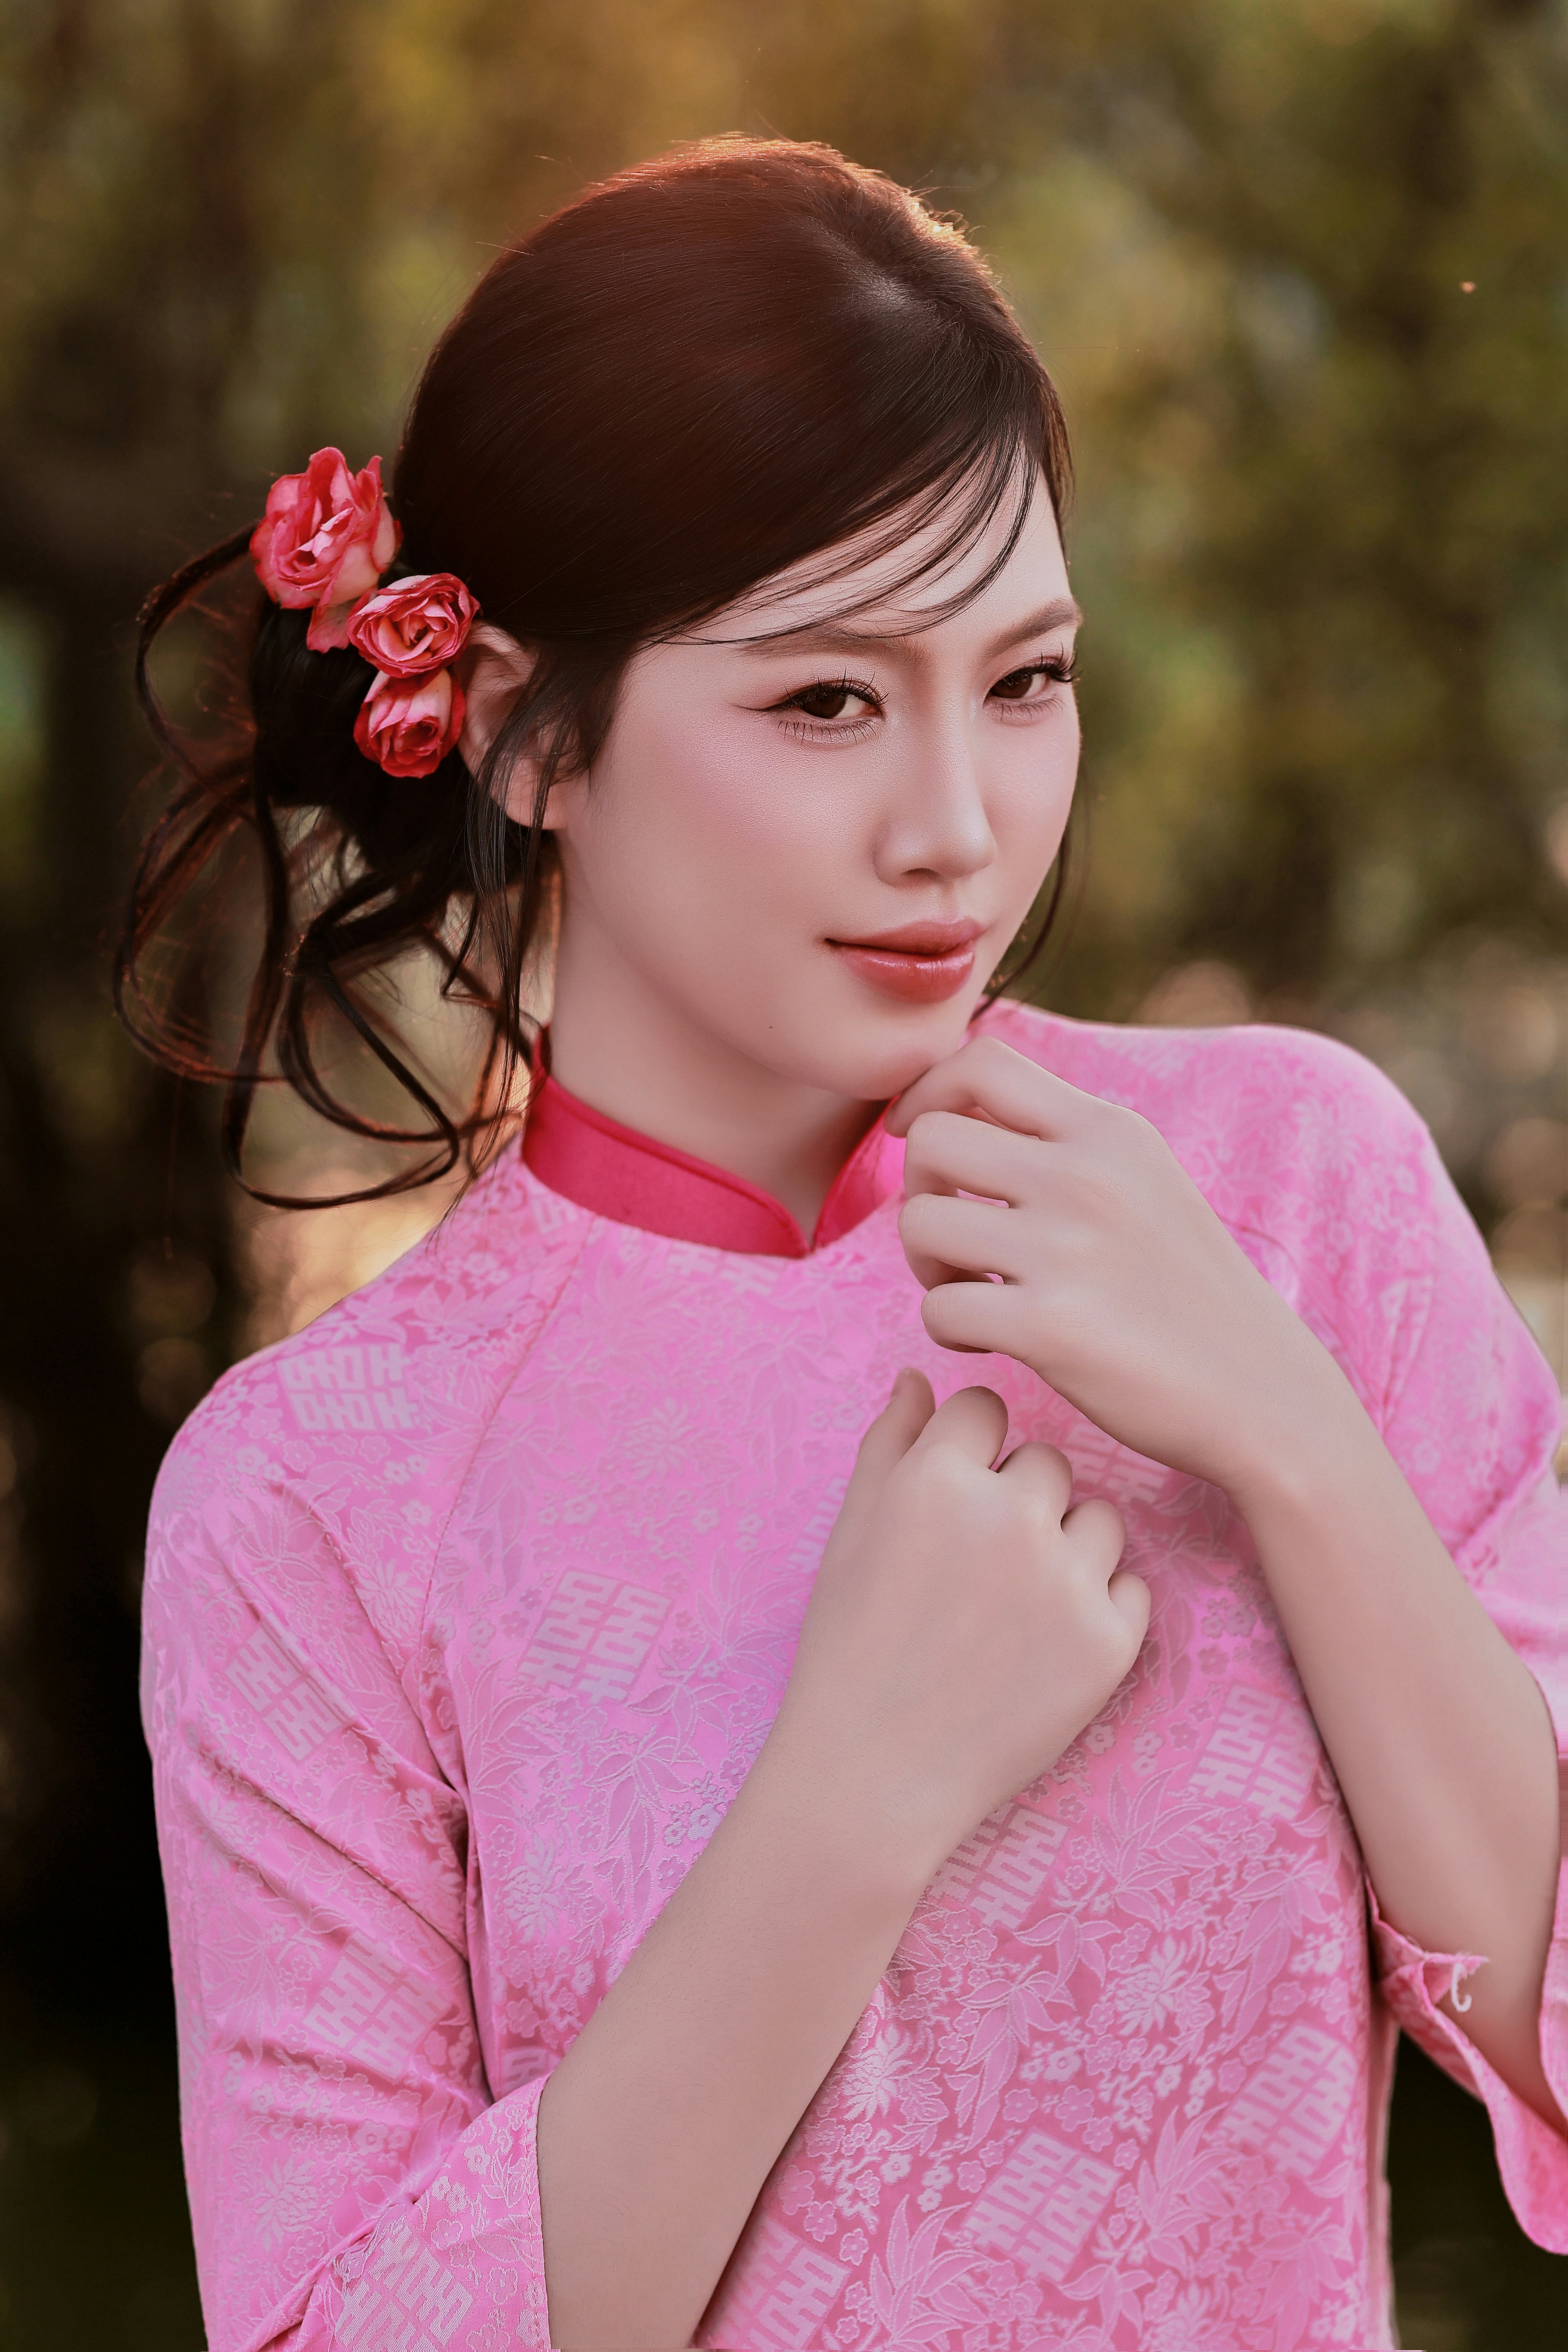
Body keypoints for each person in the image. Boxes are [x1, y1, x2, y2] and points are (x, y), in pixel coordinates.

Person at [122, 138, 1568, 2352]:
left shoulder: (1284, 1187)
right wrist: (844, 1809)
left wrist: (1292, 1440)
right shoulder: (310, 1501)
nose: (958, 829)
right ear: (522, 729)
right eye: (825, 701)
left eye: (1024, 681)